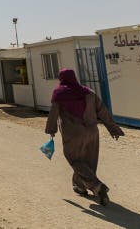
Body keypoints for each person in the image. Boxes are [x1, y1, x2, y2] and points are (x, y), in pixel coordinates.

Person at [45, 69, 124, 205]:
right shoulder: (89, 92)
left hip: (73, 134)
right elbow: (102, 111)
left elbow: (54, 113)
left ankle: (97, 186)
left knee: (75, 160)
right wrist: (113, 129)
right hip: (92, 132)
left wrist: (51, 130)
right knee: (89, 161)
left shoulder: (59, 93)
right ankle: (80, 187)